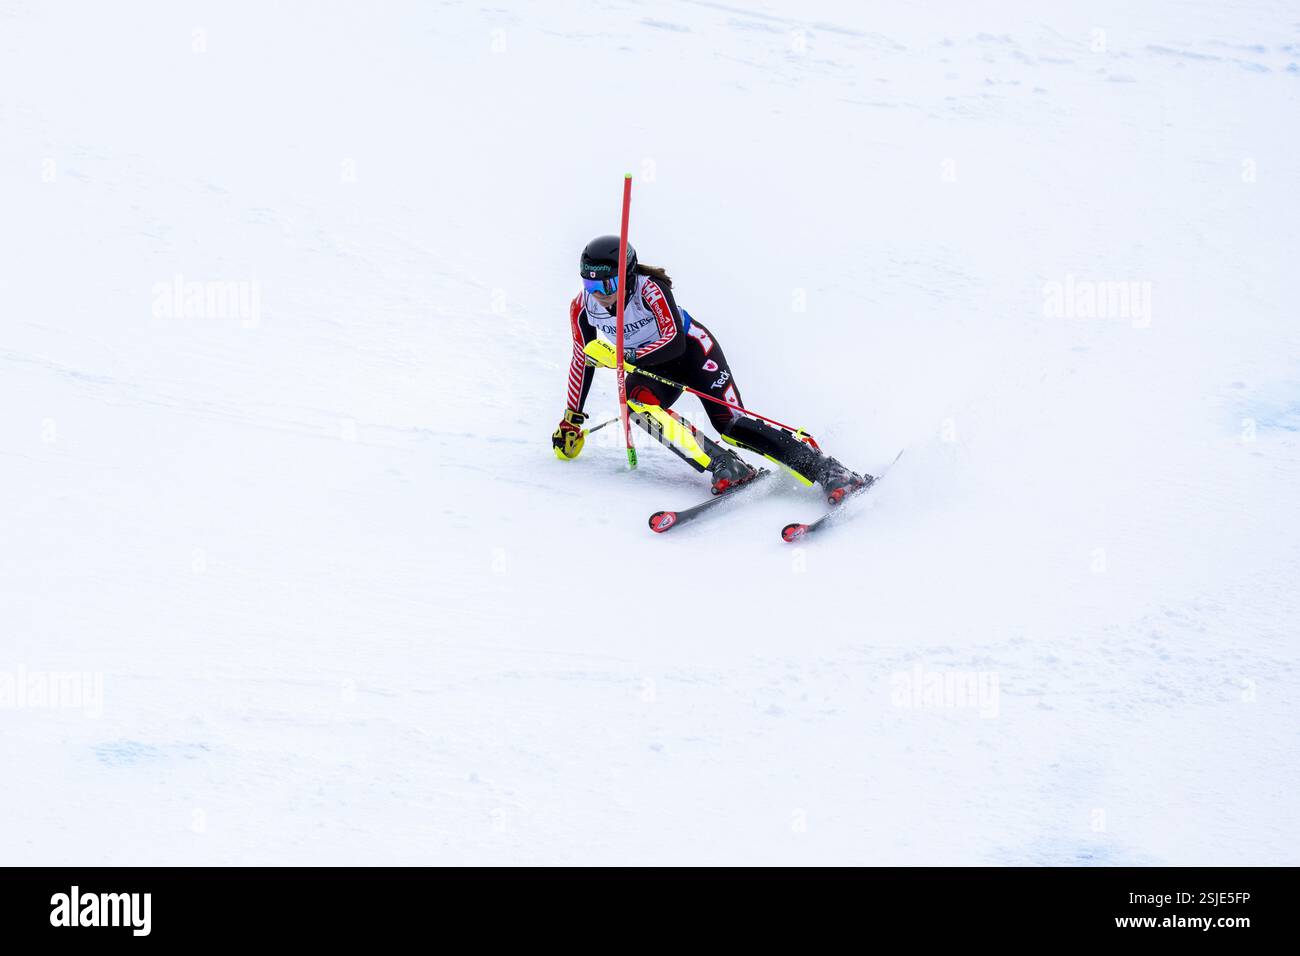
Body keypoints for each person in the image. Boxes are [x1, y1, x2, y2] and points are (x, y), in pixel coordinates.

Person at [553, 235, 872, 503]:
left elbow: (674, 342)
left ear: (629, 276)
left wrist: (626, 357)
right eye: (590, 285)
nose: (599, 295)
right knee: (636, 404)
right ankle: (726, 465)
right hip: (656, 369)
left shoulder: (650, 290)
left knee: (731, 424)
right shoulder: (583, 308)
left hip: (693, 352)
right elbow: (582, 360)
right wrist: (572, 419)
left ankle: (828, 470)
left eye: (607, 285)